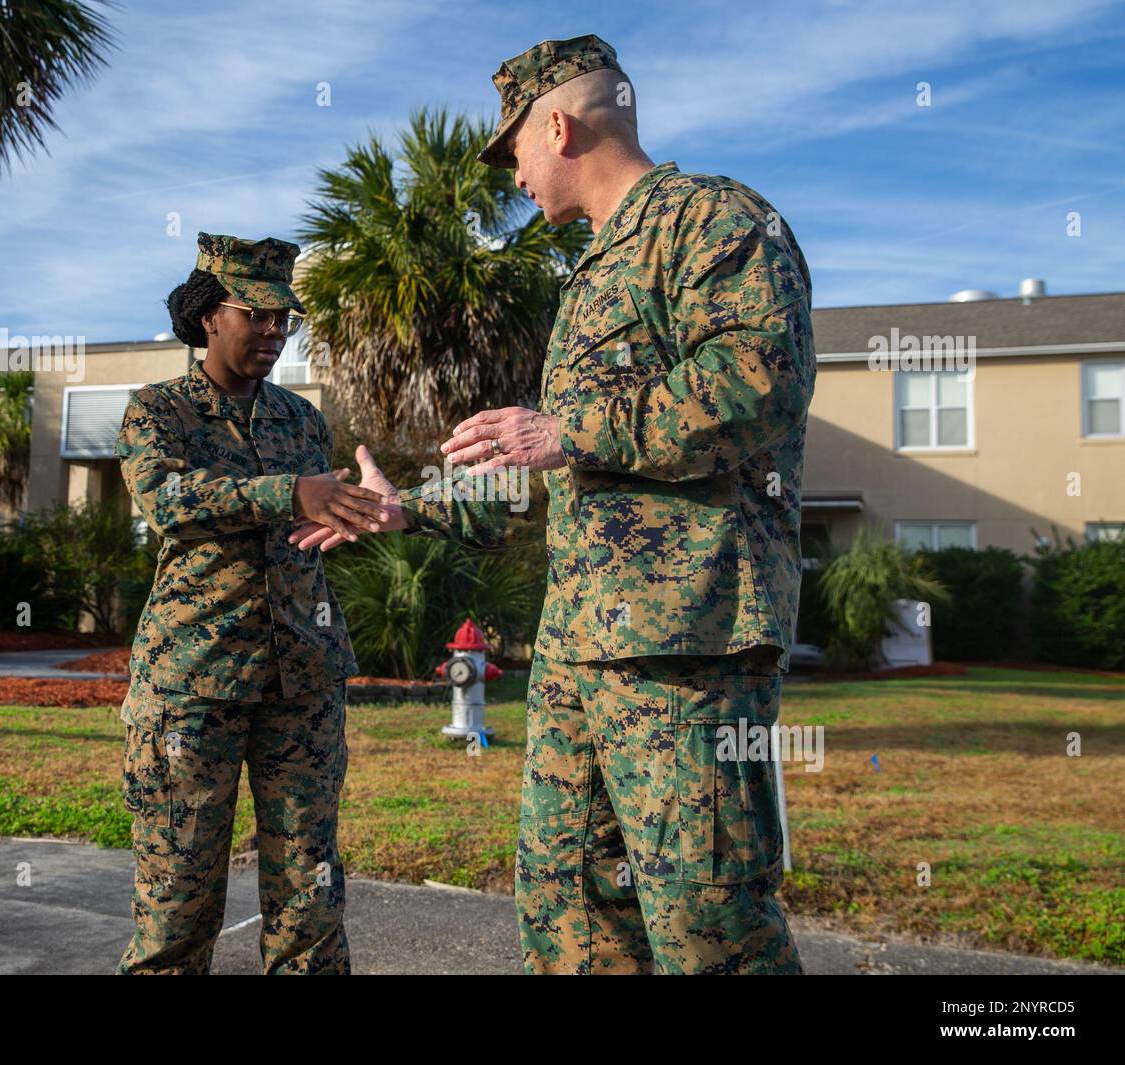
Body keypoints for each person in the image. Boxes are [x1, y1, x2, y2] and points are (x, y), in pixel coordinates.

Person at [290, 35, 814, 974]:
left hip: (683, 653)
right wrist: (407, 506)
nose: (515, 175)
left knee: (711, 928)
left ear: (560, 126)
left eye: (515, 152)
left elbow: (756, 384)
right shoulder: (589, 279)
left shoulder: (716, 222)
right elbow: (544, 471)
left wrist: (571, 429)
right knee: (568, 909)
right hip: (577, 655)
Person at [114, 231, 388, 975]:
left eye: (284, 317)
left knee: (311, 892)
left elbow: (317, 519)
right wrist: (289, 492)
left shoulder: (302, 420)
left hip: (301, 677)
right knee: (178, 895)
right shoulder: (157, 411)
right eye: (256, 313)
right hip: (194, 679)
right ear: (209, 314)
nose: (275, 330)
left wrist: (351, 512)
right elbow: (166, 498)